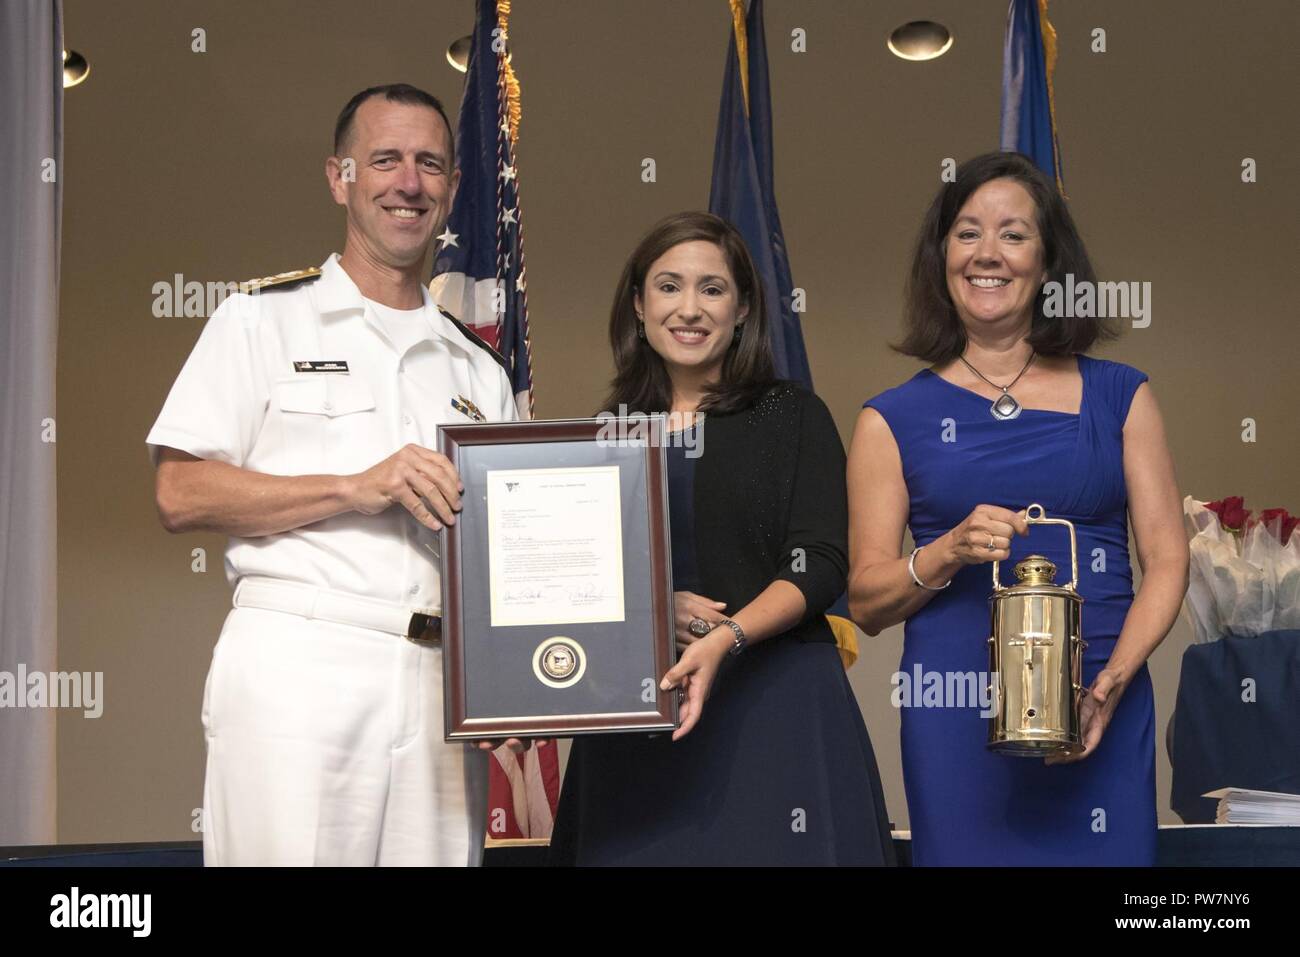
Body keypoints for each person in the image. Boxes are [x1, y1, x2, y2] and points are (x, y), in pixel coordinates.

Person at [148, 83, 525, 866]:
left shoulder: (479, 368)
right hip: (300, 661)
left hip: (441, 687)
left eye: (430, 164)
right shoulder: (258, 319)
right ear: (339, 177)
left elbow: (512, 547)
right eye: (384, 159)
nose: (408, 183)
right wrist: (358, 485)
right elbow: (180, 492)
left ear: (453, 188)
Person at [847, 152, 1189, 866]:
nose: (988, 253)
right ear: (942, 255)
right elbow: (868, 601)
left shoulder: (1123, 394)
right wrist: (946, 551)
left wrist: (1110, 686)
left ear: (1048, 259)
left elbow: (1166, 560)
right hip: (956, 720)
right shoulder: (890, 418)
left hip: (1100, 699)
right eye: (967, 232)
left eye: (1013, 233)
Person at [549, 212, 894, 866]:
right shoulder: (606, 433)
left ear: (741, 310)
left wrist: (728, 636)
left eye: (712, 288)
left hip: (778, 710)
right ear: (639, 305)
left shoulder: (792, 414)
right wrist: (653, 606)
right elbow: (574, 579)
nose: (689, 307)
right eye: (669, 286)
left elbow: (823, 563)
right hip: (643, 724)